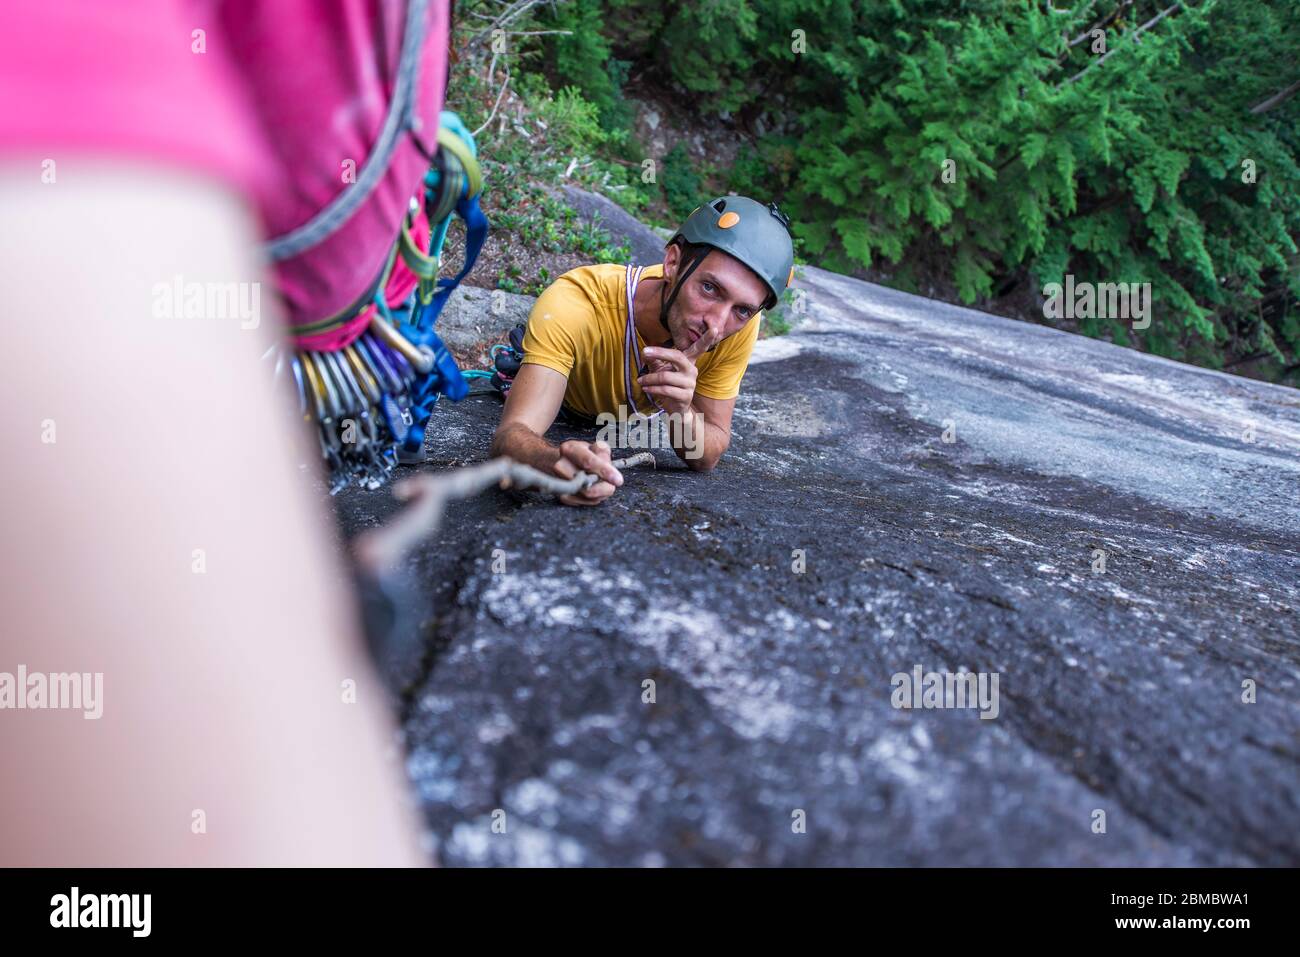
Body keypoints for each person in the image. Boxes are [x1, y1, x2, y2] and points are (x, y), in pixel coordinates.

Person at [489, 195, 795, 506]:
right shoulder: (578, 304)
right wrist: (552, 462)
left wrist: (680, 410)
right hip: (567, 400)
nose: (715, 325)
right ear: (673, 263)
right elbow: (509, 438)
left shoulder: (736, 325)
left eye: (742, 310)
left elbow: (708, 454)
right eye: (709, 288)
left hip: (621, 417)